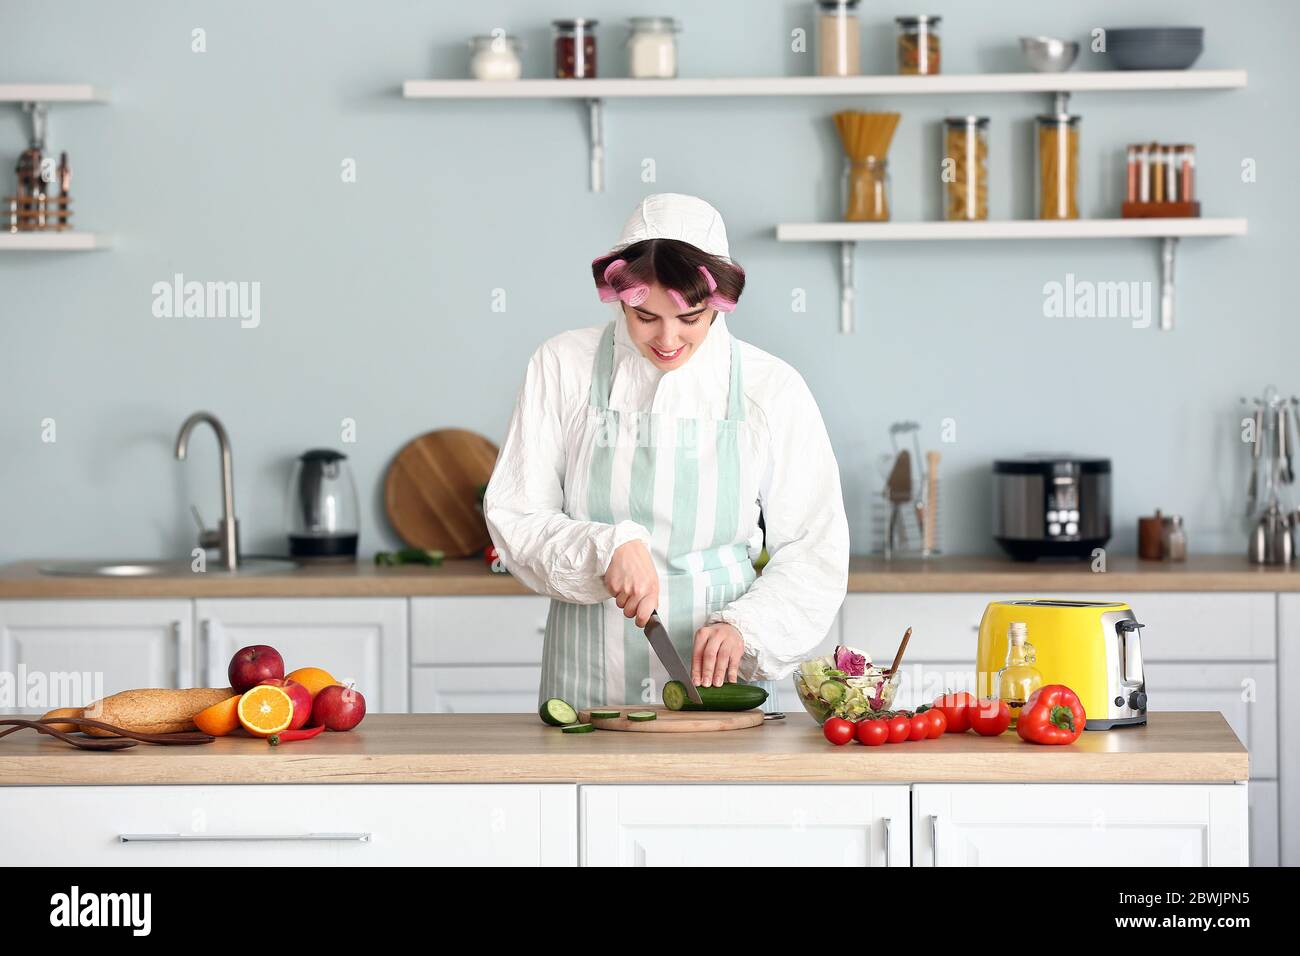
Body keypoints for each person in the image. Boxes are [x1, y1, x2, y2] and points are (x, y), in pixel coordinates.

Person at [484, 193, 849, 710]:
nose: (668, 338)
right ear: (620, 295)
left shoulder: (771, 389)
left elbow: (815, 547)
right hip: (589, 686)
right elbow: (514, 517)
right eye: (645, 316)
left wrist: (747, 627)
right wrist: (606, 547)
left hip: (721, 685)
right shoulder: (562, 365)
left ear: (718, 303)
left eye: (690, 318)